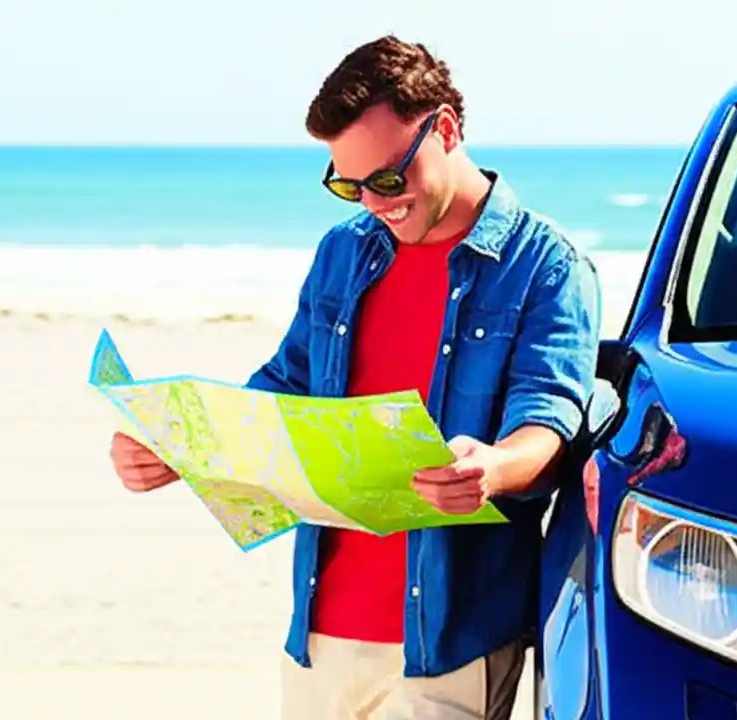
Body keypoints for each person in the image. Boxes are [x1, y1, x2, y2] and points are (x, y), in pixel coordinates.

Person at [109, 34, 601, 720]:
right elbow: (287, 384)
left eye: (390, 179)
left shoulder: (545, 266)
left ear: (447, 129)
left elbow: (550, 415)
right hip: (320, 634)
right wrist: (183, 444)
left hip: (447, 643)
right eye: (349, 185)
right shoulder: (344, 252)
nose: (374, 202)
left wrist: (492, 466)